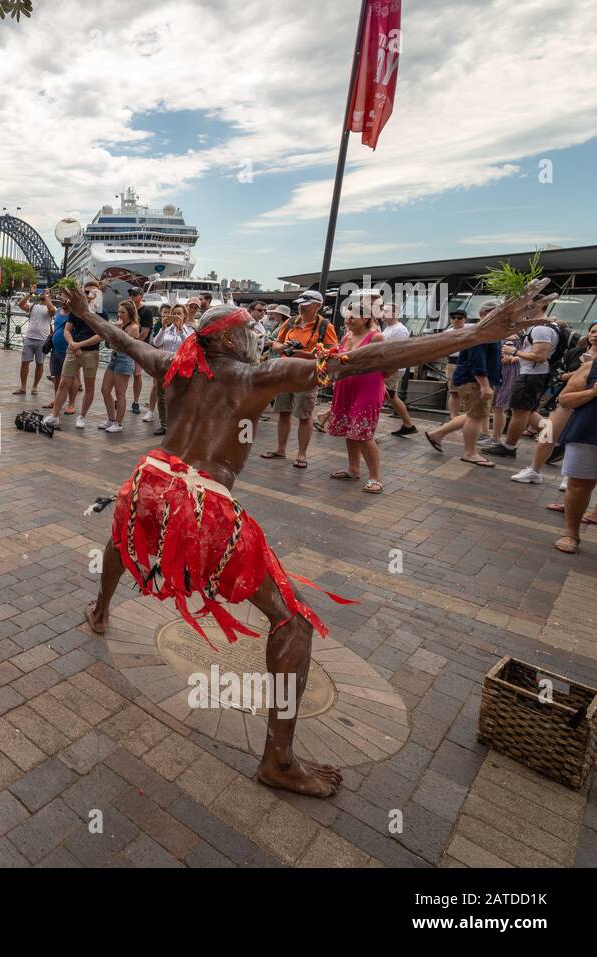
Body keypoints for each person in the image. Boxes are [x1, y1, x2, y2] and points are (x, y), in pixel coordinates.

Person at [71, 279, 555, 797]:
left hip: (152, 479)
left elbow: (122, 341)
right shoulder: (257, 375)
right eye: (250, 332)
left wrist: (86, 312)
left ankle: (99, 610)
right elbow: (357, 363)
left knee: (126, 533)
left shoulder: (173, 367)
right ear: (230, 342)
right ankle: (277, 760)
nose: (259, 338)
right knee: (292, 622)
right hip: (200, 502)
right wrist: (474, 335)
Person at [513, 320, 597, 485]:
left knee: (576, 440)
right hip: (566, 398)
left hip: (590, 404)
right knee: (548, 433)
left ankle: (570, 477)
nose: (595, 336)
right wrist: (579, 372)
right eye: (593, 332)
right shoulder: (575, 352)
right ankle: (534, 470)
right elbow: (559, 373)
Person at [261, 289, 336, 469]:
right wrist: (284, 347)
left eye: (306, 305)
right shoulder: (291, 322)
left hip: (307, 376)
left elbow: (331, 352)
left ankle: (302, 454)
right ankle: (281, 449)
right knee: (284, 411)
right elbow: (276, 343)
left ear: (317, 306)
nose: (301, 308)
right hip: (286, 373)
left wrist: (307, 354)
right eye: (300, 305)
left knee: (304, 415)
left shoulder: (325, 326)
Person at [424, 311, 503, 468]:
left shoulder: (485, 332)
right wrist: (484, 385)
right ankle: (470, 453)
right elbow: (477, 362)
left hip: (473, 380)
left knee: (471, 415)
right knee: (475, 417)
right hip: (474, 381)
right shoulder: (482, 333)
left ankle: (436, 434)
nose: (456, 320)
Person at [484, 298, 559, 458]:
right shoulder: (545, 327)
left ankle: (509, 447)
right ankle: (555, 441)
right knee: (528, 412)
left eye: (528, 306)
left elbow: (540, 356)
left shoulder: (541, 329)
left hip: (531, 375)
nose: (524, 309)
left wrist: (515, 353)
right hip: (534, 375)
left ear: (539, 306)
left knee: (519, 412)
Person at [324, 308, 386, 492]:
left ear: (366, 317)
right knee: (350, 429)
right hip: (345, 386)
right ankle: (353, 468)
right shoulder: (346, 337)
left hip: (368, 387)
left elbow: (388, 363)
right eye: (347, 316)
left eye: (353, 316)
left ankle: (375, 477)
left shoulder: (376, 337)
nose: (348, 319)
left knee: (363, 432)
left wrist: (381, 383)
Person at [552, 350, 597, 554]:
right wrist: (592, 392)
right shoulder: (591, 367)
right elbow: (565, 399)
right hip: (588, 432)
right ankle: (571, 532)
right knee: (578, 484)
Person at [45, 281, 105, 430]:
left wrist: (79, 345)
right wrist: (72, 343)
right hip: (73, 350)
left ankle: (82, 416)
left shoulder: (101, 313)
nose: (89, 295)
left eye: (93, 292)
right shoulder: (77, 311)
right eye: (86, 292)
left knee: (89, 386)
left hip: (91, 352)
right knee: (63, 382)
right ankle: (55, 415)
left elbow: (101, 335)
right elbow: (67, 330)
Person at [144, 304, 193, 436]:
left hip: (179, 367)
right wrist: (163, 328)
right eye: (174, 313)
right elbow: (157, 343)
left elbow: (188, 346)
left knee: (178, 396)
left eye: (179, 314)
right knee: (162, 396)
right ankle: (164, 425)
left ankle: (178, 425)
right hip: (164, 366)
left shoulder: (188, 330)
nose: (176, 316)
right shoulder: (167, 329)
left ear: (184, 316)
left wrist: (180, 329)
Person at [98, 301, 140, 433]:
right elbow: (110, 344)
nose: (119, 314)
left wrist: (114, 330)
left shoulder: (133, 327)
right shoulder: (120, 325)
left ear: (130, 313)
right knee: (105, 390)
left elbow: (121, 344)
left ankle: (118, 423)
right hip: (114, 358)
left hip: (125, 360)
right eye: (119, 312)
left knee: (120, 393)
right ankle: (111, 419)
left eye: (123, 312)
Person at [379, 304, 419, 436]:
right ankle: (408, 424)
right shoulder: (390, 328)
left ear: (395, 312)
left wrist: (388, 370)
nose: (383, 313)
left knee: (380, 394)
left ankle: (370, 425)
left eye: (386, 311)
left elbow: (397, 353)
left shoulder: (399, 330)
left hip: (392, 368)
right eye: (382, 311)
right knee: (391, 396)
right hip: (390, 368)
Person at [13, 288, 52, 397]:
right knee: (24, 363)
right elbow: (20, 304)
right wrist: (30, 294)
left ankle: (35, 387)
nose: (43, 294)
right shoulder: (33, 306)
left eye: (46, 292)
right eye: (43, 293)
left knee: (40, 364)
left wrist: (47, 298)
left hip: (43, 340)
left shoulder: (51, 307)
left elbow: (52, 311)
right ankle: (23, 387)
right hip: (29, 338)